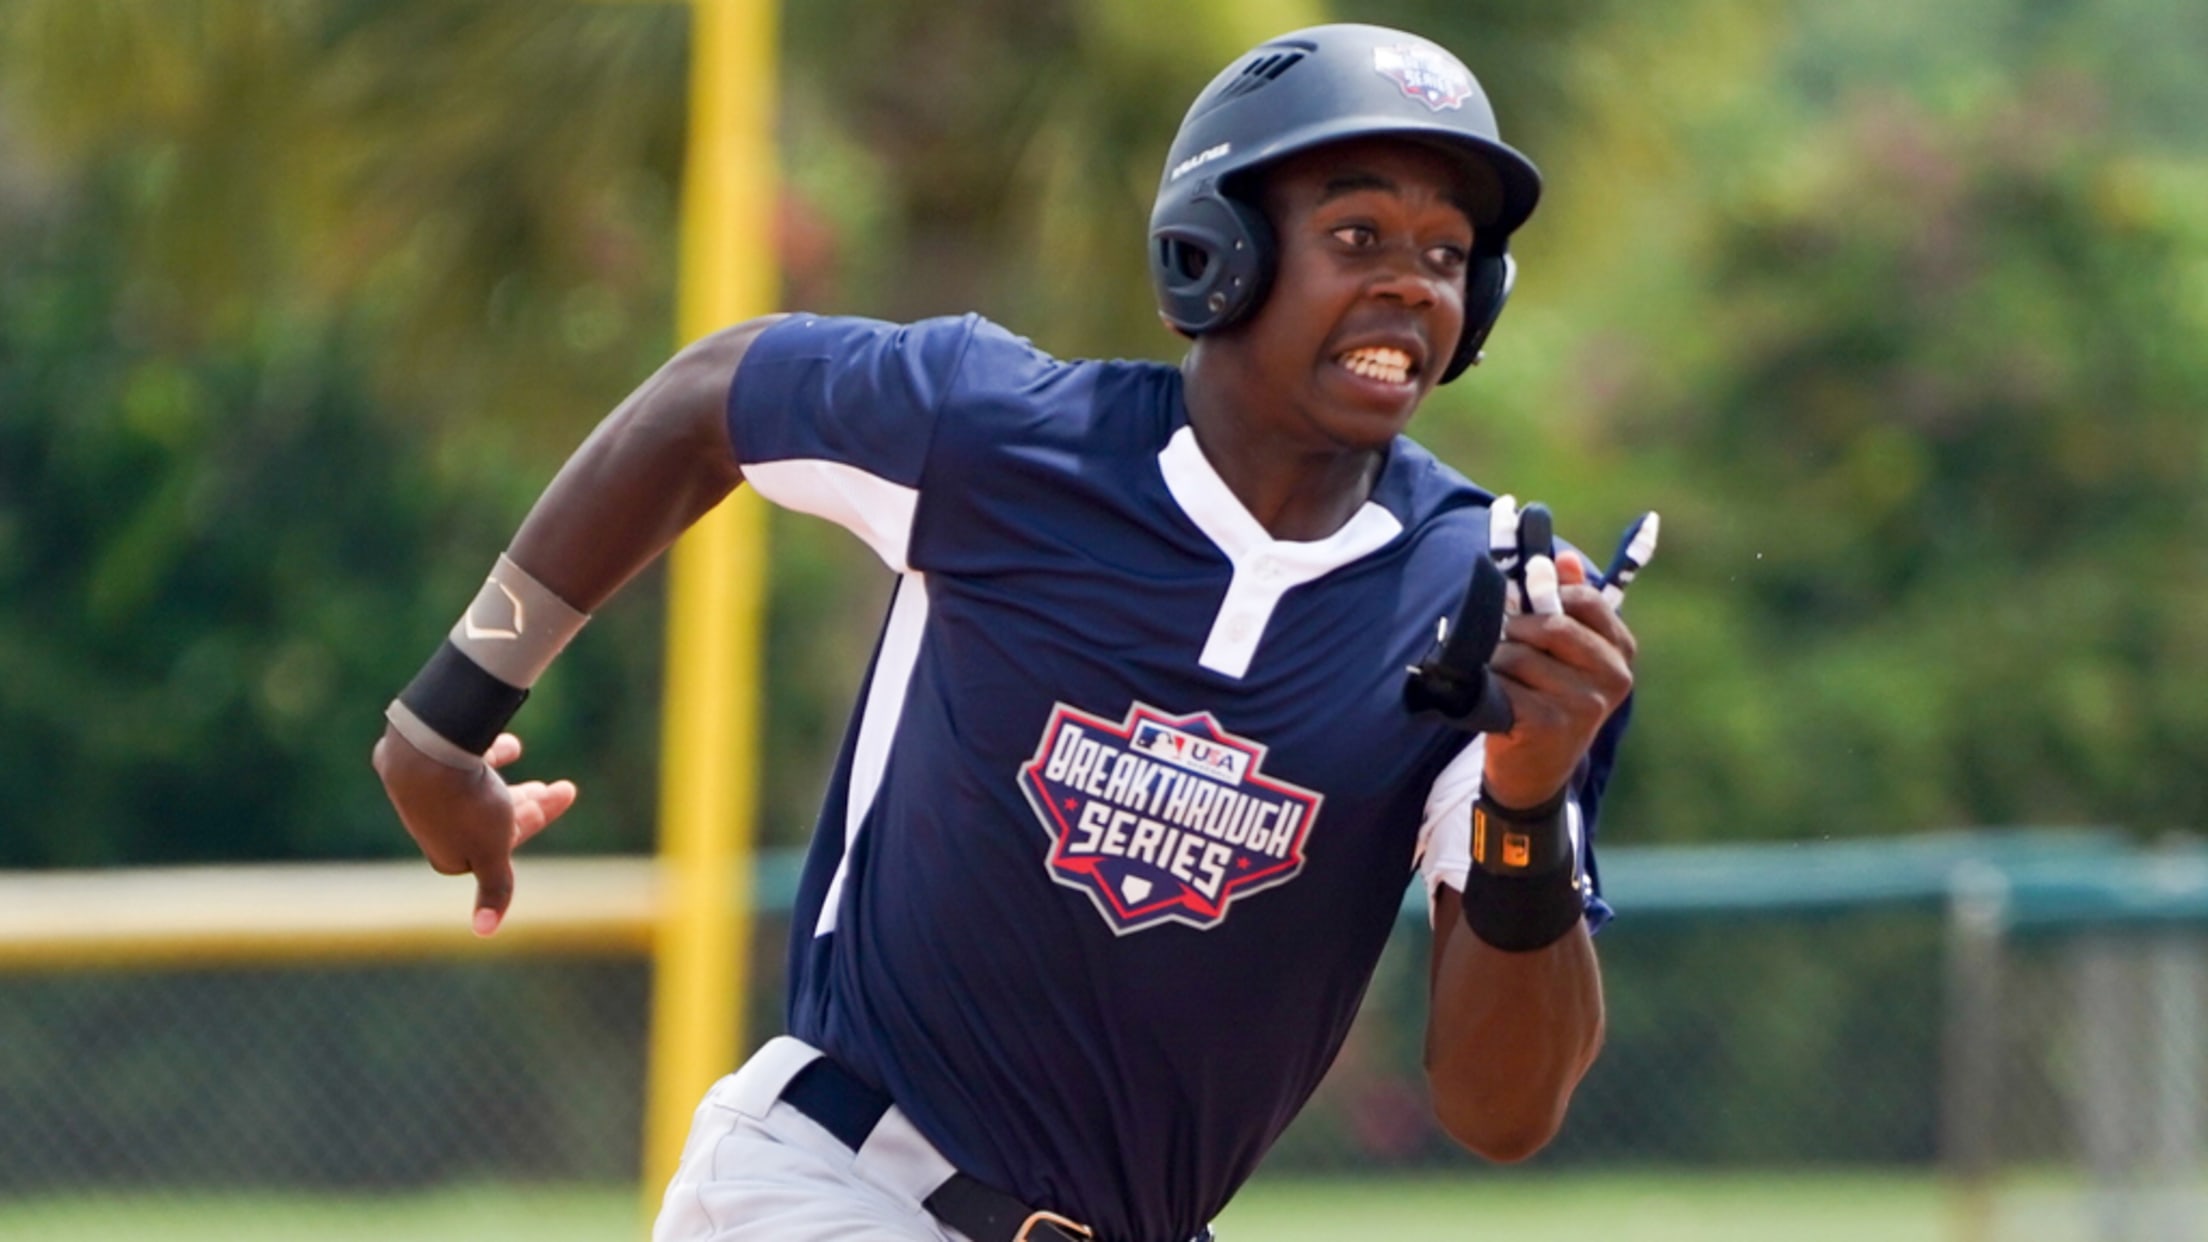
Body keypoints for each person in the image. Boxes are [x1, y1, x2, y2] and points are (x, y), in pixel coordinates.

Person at [373, 22, 1643, 1242]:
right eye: (1358, 234)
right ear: (1215, 252)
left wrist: (1528, 798)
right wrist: (444, 723)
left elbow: (1503, 1111)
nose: (1411, 284)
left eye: (1447, 254)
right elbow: (709, 399)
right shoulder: (1003, 437)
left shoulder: (1493, 606)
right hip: (839, 1189)